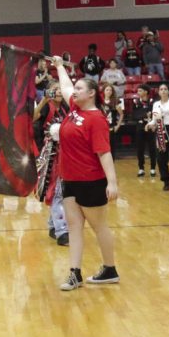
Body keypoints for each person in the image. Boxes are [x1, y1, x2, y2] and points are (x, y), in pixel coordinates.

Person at [51, 56, 119, 290]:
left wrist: (112, 182)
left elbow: (104, 153)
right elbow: (66, 86)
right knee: (73, 227)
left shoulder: (96, 119)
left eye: (81, 88)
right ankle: (75, 273)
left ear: (91, 93)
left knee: (99, 226)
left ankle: (110, 269)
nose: (75, 91)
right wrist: (60, 66)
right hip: (69, 179)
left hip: (91, 181)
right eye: (76, 88)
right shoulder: (74, 109)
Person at [34, 86, 69, 245]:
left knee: (61, 190)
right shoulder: (47, 106)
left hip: (66, 151)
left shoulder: (66, 108)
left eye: (61, 89)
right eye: (56, 89)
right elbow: (32, 118)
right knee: (57, 190)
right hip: (51, 154)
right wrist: (43, 100)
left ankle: (54, 226)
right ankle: (62, 231)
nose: (60, 92)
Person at [130, 85, 157, 178]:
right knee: (140, 149)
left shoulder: (153, 102)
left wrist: (142, 115)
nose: (138, 92)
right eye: (138, 91)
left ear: (146, 92)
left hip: (150, 127)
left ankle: (153, 168)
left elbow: (154, 114)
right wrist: (144, 115)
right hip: (140, 128)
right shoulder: (135, 102)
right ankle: (141, 168)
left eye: (140, 90)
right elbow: (134, 115)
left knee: (152, 148)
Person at [99, 83, 123, 159]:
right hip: (101, 129)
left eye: (110, 90)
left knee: (111, 149)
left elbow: (121, 114)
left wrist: (118, 126)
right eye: (107, 90)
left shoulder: (115, 102)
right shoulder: (99, 103)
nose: (109, 91)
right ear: (103, 91)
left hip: (111, 129)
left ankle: (111, 166)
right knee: (102, 149)